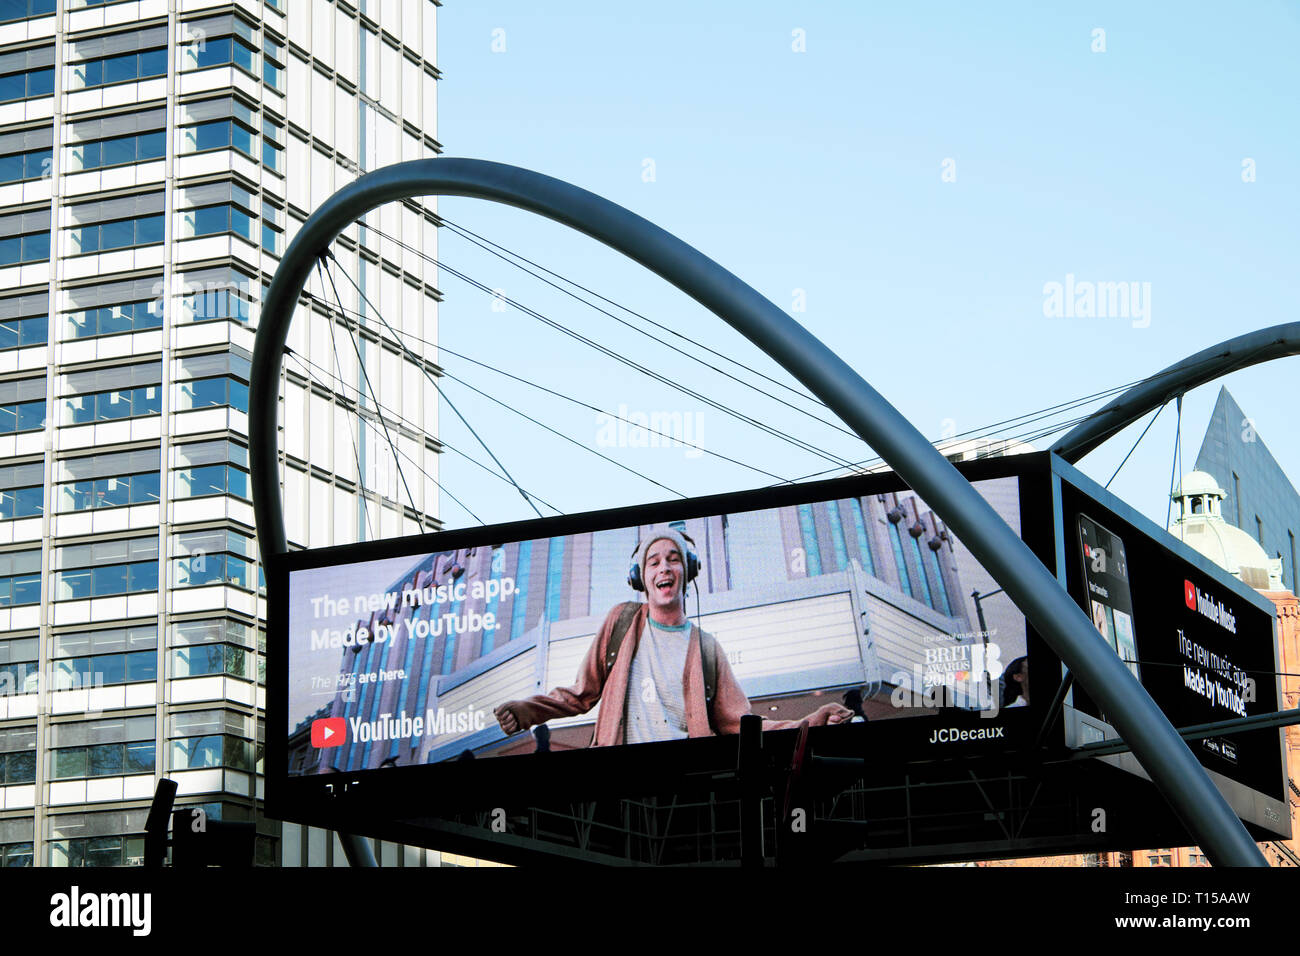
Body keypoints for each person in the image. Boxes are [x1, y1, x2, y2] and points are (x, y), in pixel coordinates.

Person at [493, 527, 853, 746]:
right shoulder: (620, 621)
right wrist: (527, 710)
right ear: (641, 577)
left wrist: (810, 722)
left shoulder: (707, 648)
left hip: (686, 789)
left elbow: (743, 726)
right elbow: (578, 695)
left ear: (688, 570)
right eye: (653, 561)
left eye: (673, 559)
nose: (664, 567)